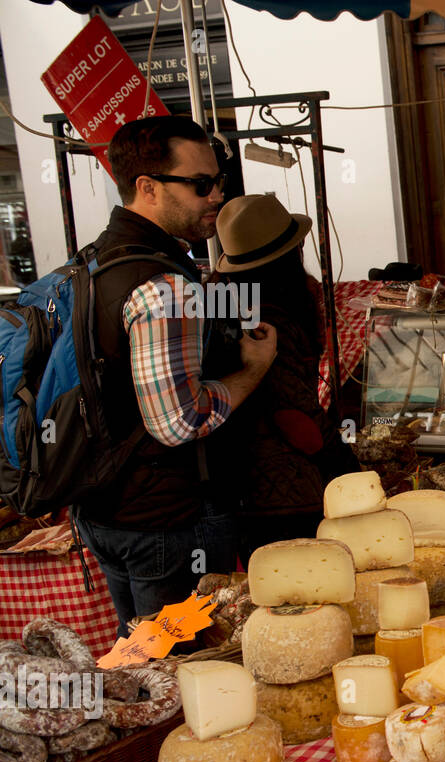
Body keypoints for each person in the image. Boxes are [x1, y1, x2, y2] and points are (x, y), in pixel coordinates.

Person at [72, 116, 277, 636]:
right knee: (190, 680)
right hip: (169, 520)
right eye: (201, 184)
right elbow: (179, 421)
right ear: (147, 188)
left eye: (220, 182)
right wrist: (251, 371)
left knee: (144, 677)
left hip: (105, 508)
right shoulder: (162, 285)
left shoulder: (93, 262)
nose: (217, 197)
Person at [209, 194, 359, 559]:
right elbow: (294, 416)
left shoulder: (223, 301)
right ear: (290, 256)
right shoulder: (270, 321)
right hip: (282, 498)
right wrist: (343, 464)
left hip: (233, 486)